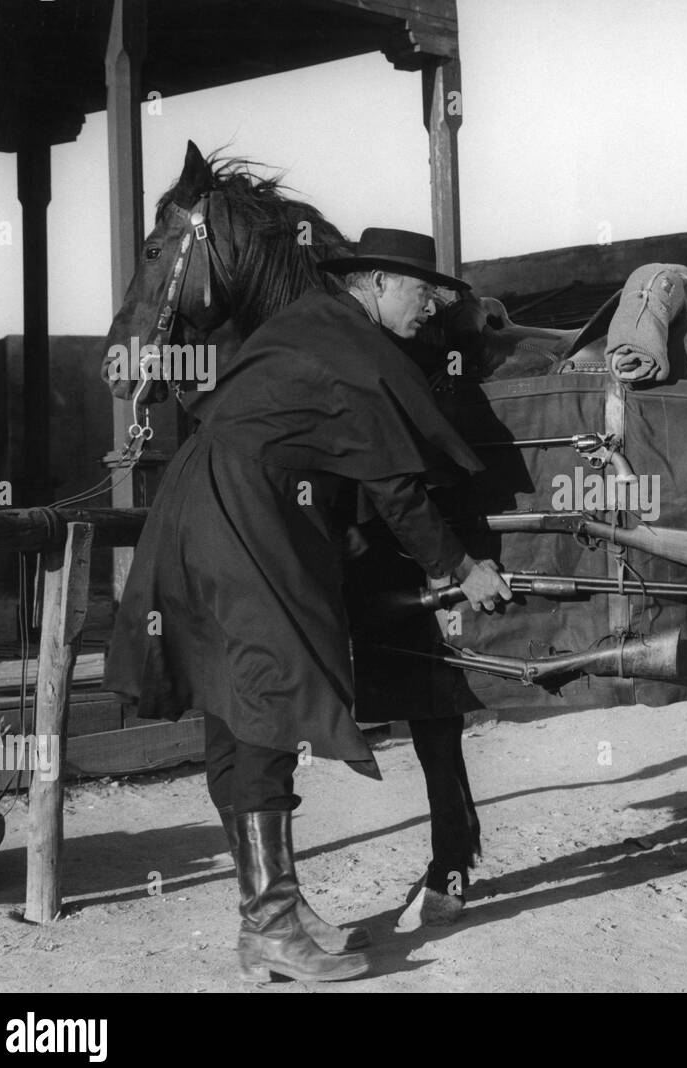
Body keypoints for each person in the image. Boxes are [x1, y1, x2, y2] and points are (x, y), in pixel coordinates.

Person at [104, 228, 510, 982]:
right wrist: (461, 565)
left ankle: (272, 910)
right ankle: (270, 929)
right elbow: (394, 485)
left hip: (198, 506)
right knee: (268, 700)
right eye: (422, 292)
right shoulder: (357, 350)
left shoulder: (307, 325)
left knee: (232, 710)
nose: (430, 308)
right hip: (247, 517)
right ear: (378, 284)